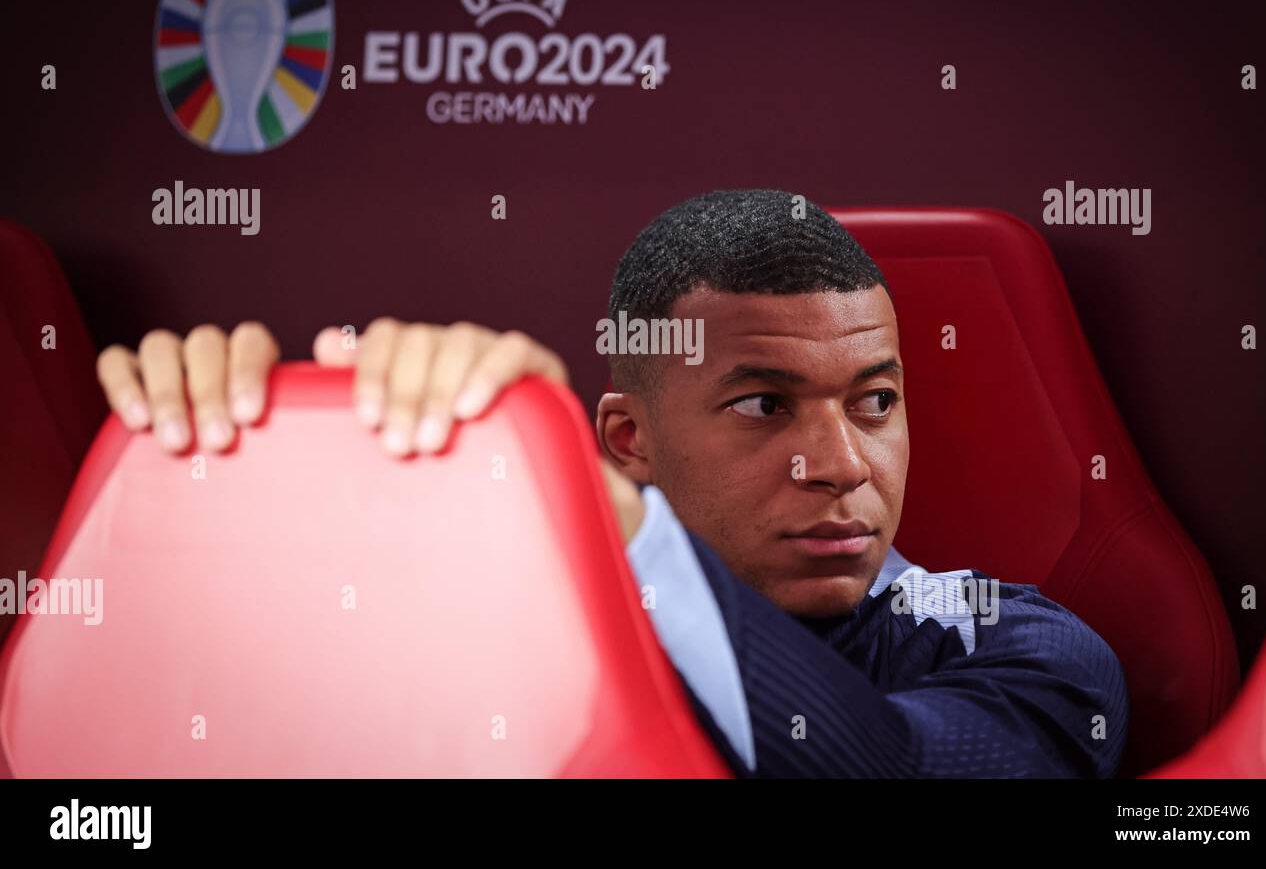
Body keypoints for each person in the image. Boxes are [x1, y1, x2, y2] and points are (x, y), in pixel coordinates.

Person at [93, 189, 1129, 777]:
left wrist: (617, 525)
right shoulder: (482, 636)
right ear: (628, 436)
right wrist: (211, 483)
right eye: (765, 405)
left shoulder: (1028, 651)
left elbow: (889, 772)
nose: (845, 464)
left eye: (873, 401)